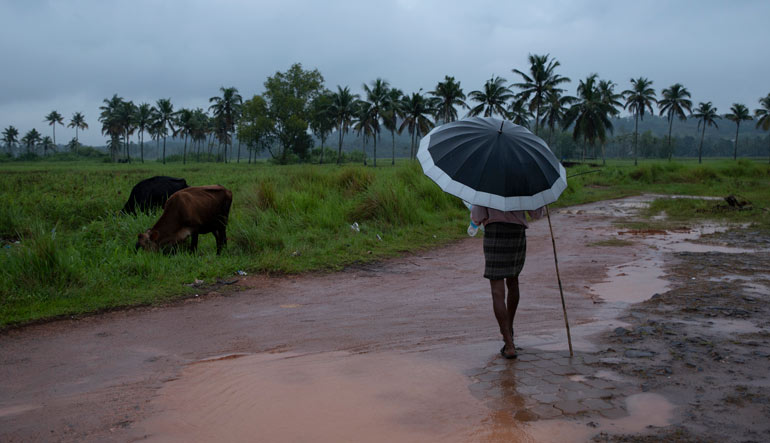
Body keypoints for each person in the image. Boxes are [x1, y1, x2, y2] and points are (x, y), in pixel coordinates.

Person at [471, 204, 545, 359]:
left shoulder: (486, 182)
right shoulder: (521, 181)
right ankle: (509, 329)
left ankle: (509, 343)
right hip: (516, 233)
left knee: (497, 291)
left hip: (494, 232)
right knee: (513, 281)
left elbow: (477, 217)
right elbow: (536, 214)